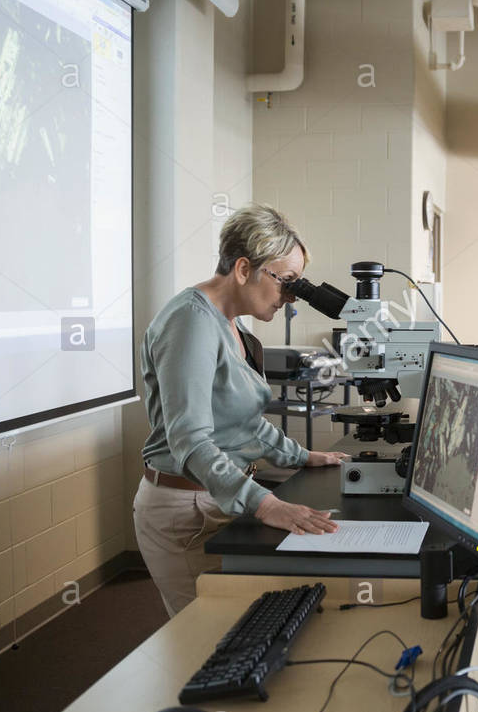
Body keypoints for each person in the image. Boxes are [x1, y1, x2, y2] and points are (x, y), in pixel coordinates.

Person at [134, 204, 347, 616]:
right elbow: (190, 441)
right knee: (207, 638)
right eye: (287, 282)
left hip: (217, 500)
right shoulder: (191, 322)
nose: (290, 298)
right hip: (184, 512)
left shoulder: (233, 325)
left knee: (242, 626)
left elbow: (246, 424)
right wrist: (267, 504)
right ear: (244, 268)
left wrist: (302, 456)